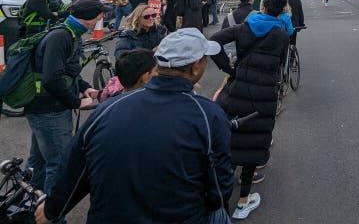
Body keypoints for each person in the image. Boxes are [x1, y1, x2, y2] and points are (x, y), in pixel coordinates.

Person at [35, 28, 233, 223]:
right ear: (196, 66)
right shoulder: (208, 115)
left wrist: (53, 209)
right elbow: (219, 188)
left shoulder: (108, 108)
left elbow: (75, 167)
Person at [210, 0, 290, 221]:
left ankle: (220, 200)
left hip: (238, 88)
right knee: (255, 138)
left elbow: (214, 41)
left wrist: (229, 69)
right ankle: (244, 200)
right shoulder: (282, 35)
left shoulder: (244, 28)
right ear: (281, 13)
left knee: (231, 135)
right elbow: (280, 65)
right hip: (264, 93)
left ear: (262, 8)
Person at [26, 0, 111, 200]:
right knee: (58, 165)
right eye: (100, 14)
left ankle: (29, 206)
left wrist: (85, 87)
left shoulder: (70, 33)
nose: (102, 17)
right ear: (89, 17)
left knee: (38, 162)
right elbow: (51, 78)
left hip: (46, 108)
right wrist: (76, 102)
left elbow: (67, 71)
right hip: (49, 110)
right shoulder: (62, 36)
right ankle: (51, 215)